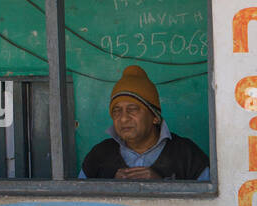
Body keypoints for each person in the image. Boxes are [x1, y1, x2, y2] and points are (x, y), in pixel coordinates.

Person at [80, 65, 210, 181]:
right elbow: (79, 204)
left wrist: (162, 186)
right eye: (117, 111)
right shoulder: (98, 156)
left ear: (155, 117)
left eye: (132, 109)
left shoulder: (187, 155)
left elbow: (212, 205)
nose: (123, 118)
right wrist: (111, 187)